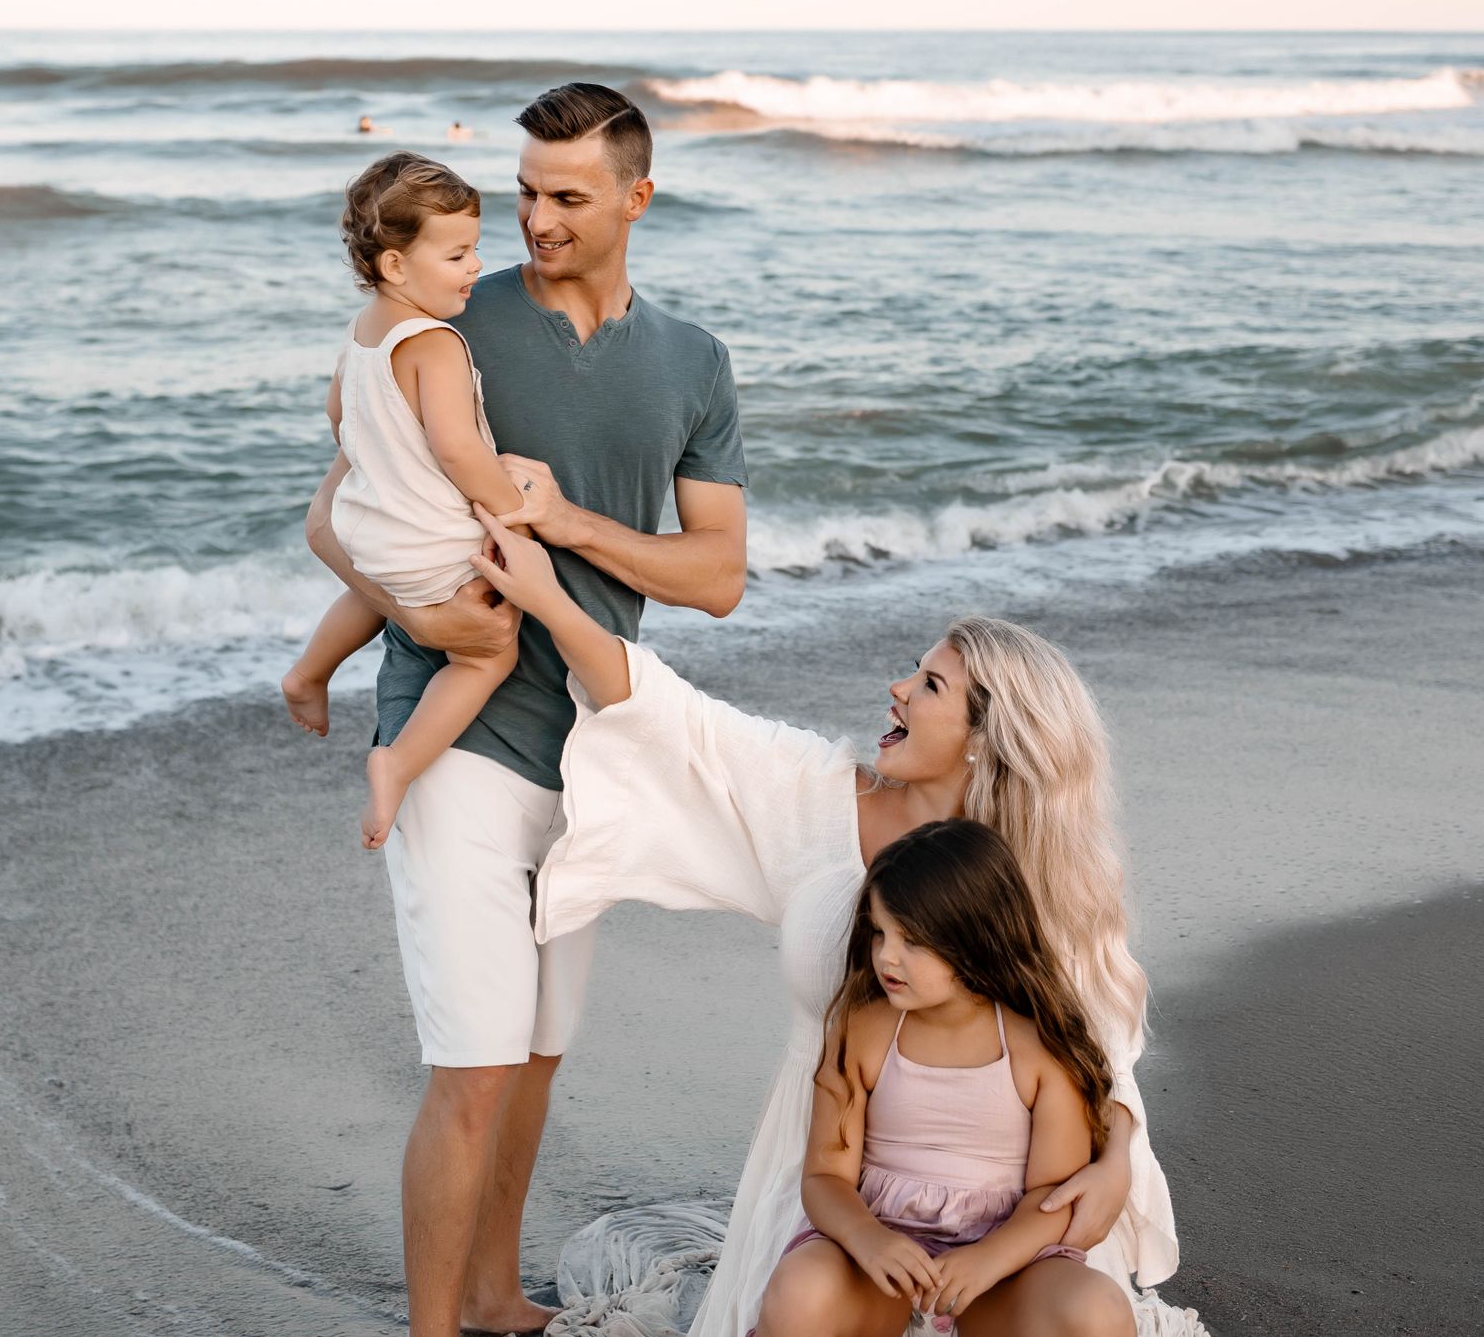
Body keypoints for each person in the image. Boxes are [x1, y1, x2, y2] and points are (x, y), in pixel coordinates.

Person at [461, 508, 1193, 1337]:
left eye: (930, 685)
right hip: (830, 1177)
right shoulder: (816, 799)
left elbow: (1100, 1035)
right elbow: (678, 722)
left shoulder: (1040, 871)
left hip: (1016, 1198)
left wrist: (1116, 1156)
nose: (898, 688)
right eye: (911, 671)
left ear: (986, 739)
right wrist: (552, 600)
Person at [304, 83, 750, 1337]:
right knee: (474, 1065)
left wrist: (568, 523)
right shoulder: (450, 317)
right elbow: (329, 510)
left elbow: (715, 574)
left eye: (566, 195)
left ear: (635, 197)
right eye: (524, 192)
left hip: (596, 749)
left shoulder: (693, 362)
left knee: (541, 1053)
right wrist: (426, 619)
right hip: (456, 737)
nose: (535, 220)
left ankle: (495, 1293)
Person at [761, 819, 1113, 1337]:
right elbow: (825, 1177)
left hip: (999, 1272)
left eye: (913, 941)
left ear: (975, 938)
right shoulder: (863, 1030)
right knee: (799, 1292)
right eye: (880, 932)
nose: (886, 956)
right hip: (879, 1263)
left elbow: (1052, 1198)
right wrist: (867, 1238)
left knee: (1097, 1311)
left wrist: (987, 1261)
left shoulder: (1042, 1051)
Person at [282, 152, 524, 850]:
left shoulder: (364, 332)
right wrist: (508, 505)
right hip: (429, 544)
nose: (476, 265)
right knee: (487, 656)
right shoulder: (435, 342)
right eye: (457, 253)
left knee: (372, 587)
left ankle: (309, 672)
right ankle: (399, 759)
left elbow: (339, 416)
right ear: (396, 265)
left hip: (368, 524)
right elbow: (457, 449)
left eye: (475, 248)